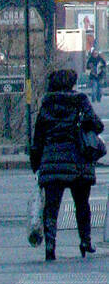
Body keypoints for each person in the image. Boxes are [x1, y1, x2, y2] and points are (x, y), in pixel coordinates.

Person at [31, 66, 104, 261]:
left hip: (52, 162)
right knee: (81, 204)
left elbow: (37, 139)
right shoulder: (80, 101)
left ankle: (50, 244)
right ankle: (85, 240)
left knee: (52, 207)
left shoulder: (46, 105)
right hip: (78, 161)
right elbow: (97, 125)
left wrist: (36, 165)